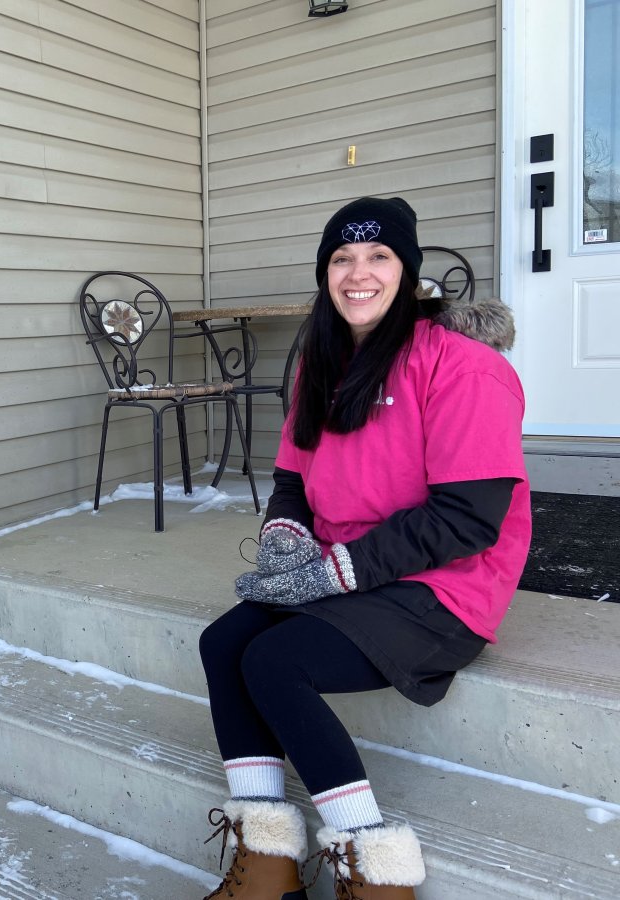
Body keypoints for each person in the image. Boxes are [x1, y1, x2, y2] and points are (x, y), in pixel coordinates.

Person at [196, 197, 531, 900]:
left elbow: (469, 517)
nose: (358, 273)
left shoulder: (462, 367)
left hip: (443, 585)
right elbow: (291, 480)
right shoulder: (322, 366)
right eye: (342, 258)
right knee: (223, 643)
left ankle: (376, 875)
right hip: (345, 573)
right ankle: (267, 862)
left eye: (379, 256)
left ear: (408, 274)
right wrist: (287, 544)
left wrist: (336, 572)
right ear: (325, 273)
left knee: (276, 660)